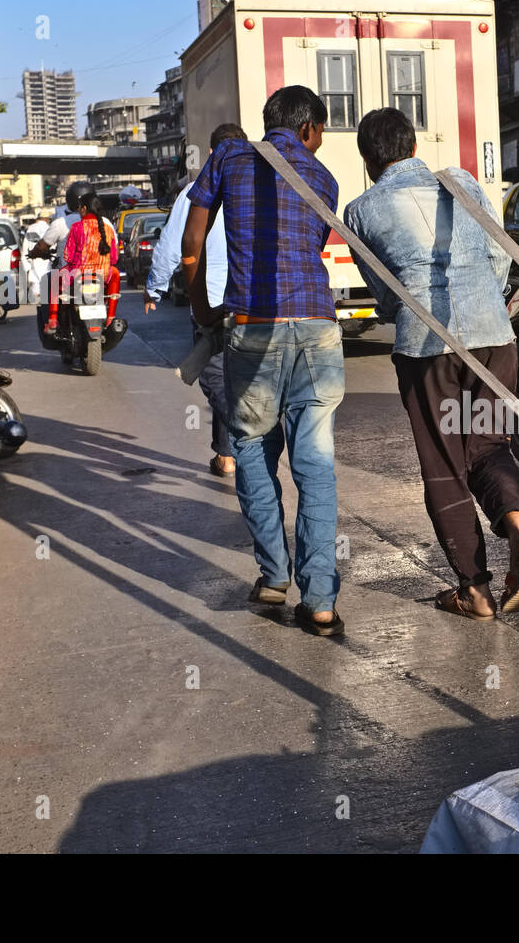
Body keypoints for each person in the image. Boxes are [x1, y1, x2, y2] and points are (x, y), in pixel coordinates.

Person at [343, 107, 519, 621]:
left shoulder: (361, 210)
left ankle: (475, 590)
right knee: (488, 445)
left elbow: (384, 294)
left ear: (370, 160)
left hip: (425, 348)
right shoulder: (460, 180)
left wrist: (406, 310)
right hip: (493, 336)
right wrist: (484, 299)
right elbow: (498, 255)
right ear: (414, 146)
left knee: (444, 466)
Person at [180, 85, 346, 637]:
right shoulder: (322, 179)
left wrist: (201, 302)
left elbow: (194, 234)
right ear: (307, 129)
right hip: (318, 326)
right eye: (319, 133)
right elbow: (313, 245)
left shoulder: (229, 155)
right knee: (315, 462)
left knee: (251, 445)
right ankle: (320, 599)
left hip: (253, 325)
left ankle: (275, 575)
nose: (318, 144)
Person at [144, 125, 244, 478]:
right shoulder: (255, 189)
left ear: (213, 154)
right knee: (236, 379)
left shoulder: (192, 193)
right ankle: (228, 454)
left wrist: (154, 289)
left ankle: (235, 451)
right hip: (249, 304)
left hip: (210, 304)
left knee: (217, 379)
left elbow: (172, 247)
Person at [52, 191, 119, 332]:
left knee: (54, 278)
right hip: (103, 274)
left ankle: (52, 319)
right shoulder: (108, 228)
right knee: (116, 273)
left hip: (77, 274)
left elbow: (67, 256)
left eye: (79, 207)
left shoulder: (77, 227)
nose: (78, 210)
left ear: (84, 208)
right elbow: (114, 258)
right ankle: (111, 316)